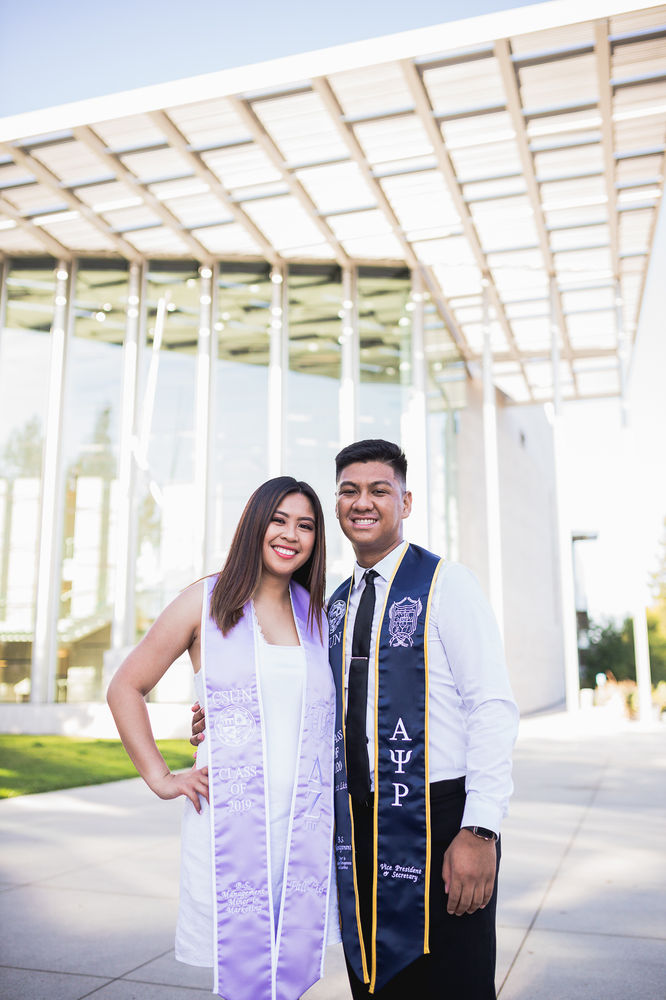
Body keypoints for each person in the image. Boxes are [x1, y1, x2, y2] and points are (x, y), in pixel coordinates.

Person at [192, 440, 519, 1000]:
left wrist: (479, 828)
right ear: (338, 505)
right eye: (349, 491)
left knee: (454, 986)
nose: (362, 502)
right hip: (357, 826)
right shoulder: (330, 607)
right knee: (376, 984)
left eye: (378, 490)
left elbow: (491, 707)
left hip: (439, 820)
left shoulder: (448, 584)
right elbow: (301, 697)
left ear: (405, 502)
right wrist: (214, 713)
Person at [107, 476, 338, 1000]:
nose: (290, 535)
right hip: (232, 826)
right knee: (244, 978)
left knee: (290, 978)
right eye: (278, 520)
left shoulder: (320, 615)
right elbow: (126, 685)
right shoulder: (206, 602)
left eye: (305, 525)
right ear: (255, 523)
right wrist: (161, 777)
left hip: (304, 828)